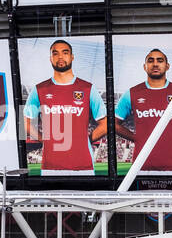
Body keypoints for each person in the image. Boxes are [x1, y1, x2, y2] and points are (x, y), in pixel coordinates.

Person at [23, 40, 109, 174]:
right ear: (51, 58)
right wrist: (44, 140)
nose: (60, 57)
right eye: (55, 53)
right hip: (50, 168)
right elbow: (25, 123)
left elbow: (105, 124)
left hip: (84, 167)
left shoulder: (88, 88)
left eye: (65, 52)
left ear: (72, 56)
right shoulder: (38, 89)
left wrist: (86, 140)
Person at [114, 49, 172, 174]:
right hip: (141, 167)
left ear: (167, 66)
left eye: (160, 61)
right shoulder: (131, 93)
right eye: (151, 61)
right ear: (145, 67)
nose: (155, 64)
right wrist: (136, 138)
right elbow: (113, 124)